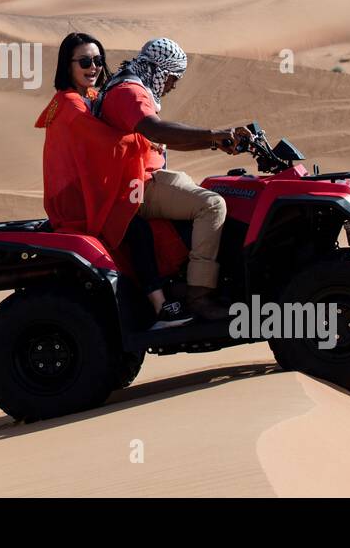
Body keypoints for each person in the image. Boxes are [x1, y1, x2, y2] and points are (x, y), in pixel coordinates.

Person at [35, 32, 191, 328]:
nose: (93, 67)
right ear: (67, 65)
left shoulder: (92, 97)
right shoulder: (70, 105)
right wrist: (146, 138)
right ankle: (160, 306)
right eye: (84, 62)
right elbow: (107, 143)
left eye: (98, 60)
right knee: (135, 228)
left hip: (95, 189)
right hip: (79, 201)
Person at [94, 38, 250, 322]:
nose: (174, 86)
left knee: (202, 186)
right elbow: (157, 131)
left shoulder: (131, 88)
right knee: (212, 204)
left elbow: (166, 139)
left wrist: (214, 142)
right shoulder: (129, 93)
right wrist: (213, 134)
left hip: (140, 180)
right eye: (174, 78)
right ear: (161, 71)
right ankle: (199, 296)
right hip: (134, 186)